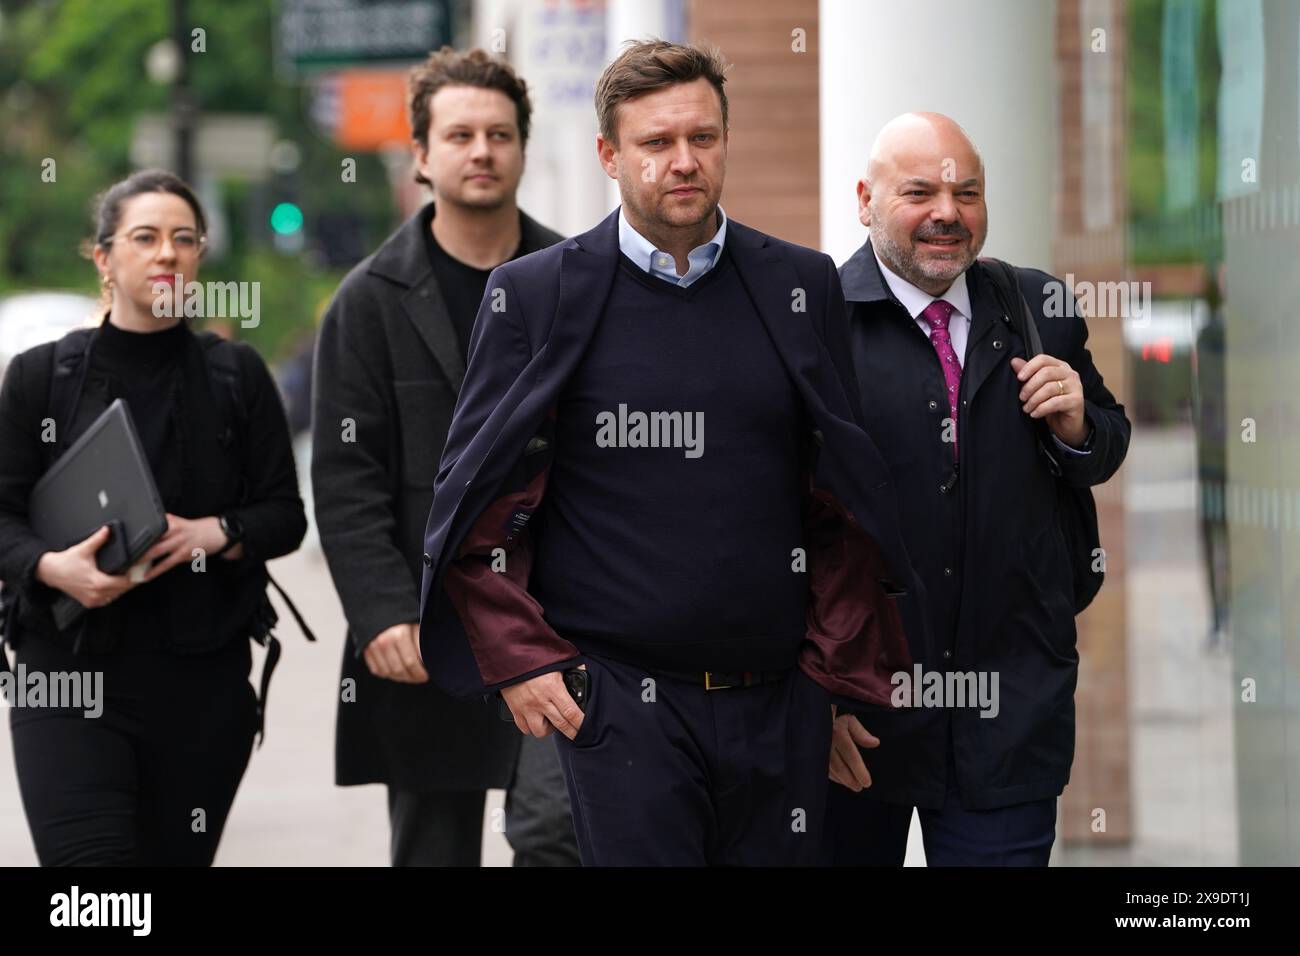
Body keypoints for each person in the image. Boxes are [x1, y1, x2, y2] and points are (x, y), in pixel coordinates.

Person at [416, 40, 930, 867]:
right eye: (656, 144)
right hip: (621, 704)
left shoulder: (801, 286)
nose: (682, 162)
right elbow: (474, 500)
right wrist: (521, 662)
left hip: (780, 699)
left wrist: (833, 681)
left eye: (702, 138)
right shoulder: (537, 295)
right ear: (610, 156)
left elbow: (838, 503)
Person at [828, 113, 1130, 866]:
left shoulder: (1037, 307)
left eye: (968, 193)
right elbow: (778, 520)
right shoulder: (816, 322)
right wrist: (814, 699)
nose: (947, 213)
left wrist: (1075, 423)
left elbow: (1107, 439)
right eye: (920, 191)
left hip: (1009, 713)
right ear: (864, 199)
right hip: (860, 718)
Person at [312, 47, 578, 866]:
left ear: (524, 150)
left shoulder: (576, 279)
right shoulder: (368, 300)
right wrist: (382, 611)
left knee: (558, 831)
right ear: (422, 156)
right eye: (459, 134)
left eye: (500, 133)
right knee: (433, 848)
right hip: (426, 621)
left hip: (560, 610)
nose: (482, 150)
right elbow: (346, 477)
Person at [0, 169, 306, 865]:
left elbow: (285, 516)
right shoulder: (40, 377)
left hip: (201, 685)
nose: (167, 253)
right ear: (104, 258)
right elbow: (4, 514)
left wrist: (216, 534)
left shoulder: (236, 375)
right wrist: (53, 569)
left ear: (199, 257)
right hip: (65, 678)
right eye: (146, 238)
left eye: (184, 239)